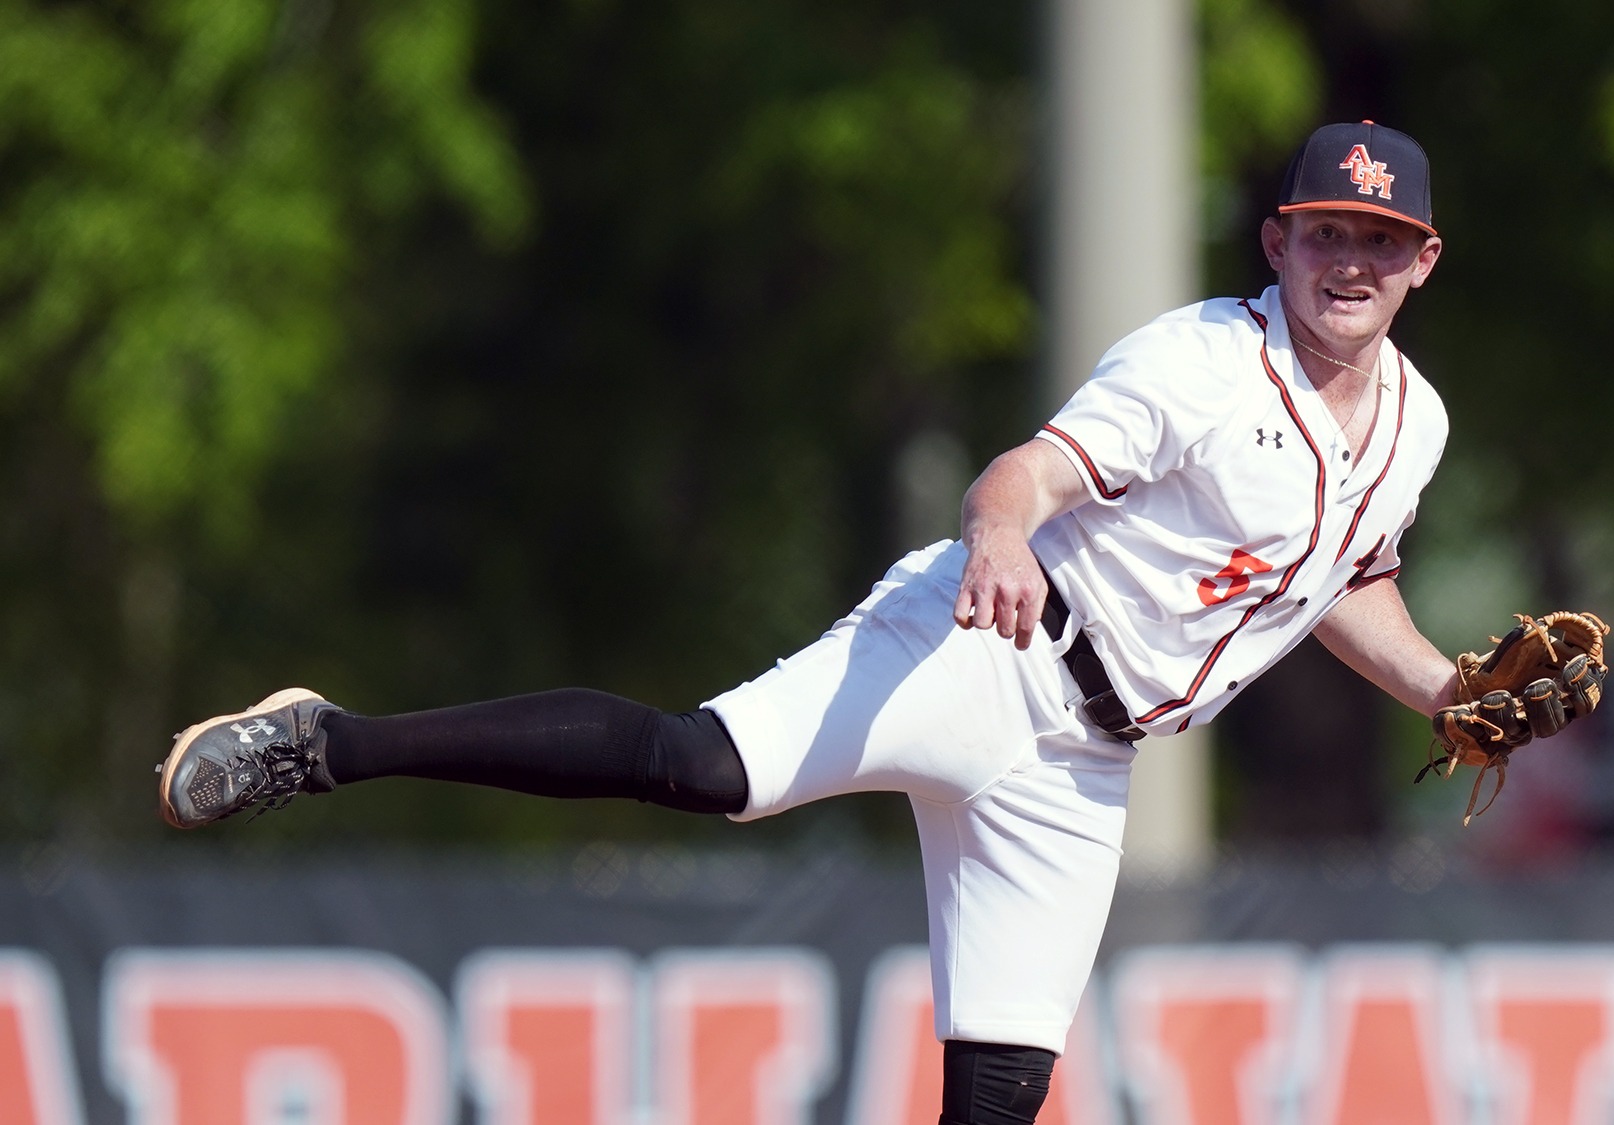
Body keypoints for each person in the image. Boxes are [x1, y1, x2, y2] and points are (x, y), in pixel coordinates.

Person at [157, 121, 1460, 1125]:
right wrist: (1000, 534)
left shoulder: (1417, 427)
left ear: (1423, 261)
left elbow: (1343, 580)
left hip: (1084, 768)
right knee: (702, 767)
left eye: (1380, 238)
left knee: (999, 1101)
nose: (1351, 261)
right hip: (985, 646)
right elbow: (1024, 476)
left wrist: (1449, 690)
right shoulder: (1204, 362)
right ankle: (326, 741)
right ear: (1277, 242)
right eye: (1327, 232)